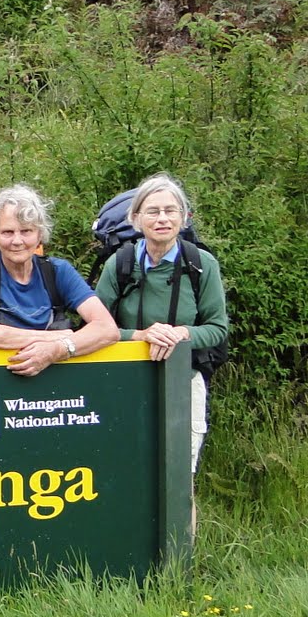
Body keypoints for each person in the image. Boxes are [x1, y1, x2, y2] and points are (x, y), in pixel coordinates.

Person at [94, 173, 228, 476]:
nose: (162, 219)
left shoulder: (201, 264)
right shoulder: (120, 264)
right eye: (153, 211)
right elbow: (95, 329)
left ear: (184, 217)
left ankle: (181, 514)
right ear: (136, 218)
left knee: (179, 476)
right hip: (126, 380)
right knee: (126, 472)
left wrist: (179, 334)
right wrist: (140, 335)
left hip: (185, 379)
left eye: (171, 210)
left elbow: (217, 328)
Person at [0, 184, 118, 376]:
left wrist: (58, 349)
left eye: (26, 231)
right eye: (7, 232)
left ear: (40, 235)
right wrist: (55, 337)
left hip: (58, 378)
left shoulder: (58, 271)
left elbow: (107, 329)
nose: (17, 241)